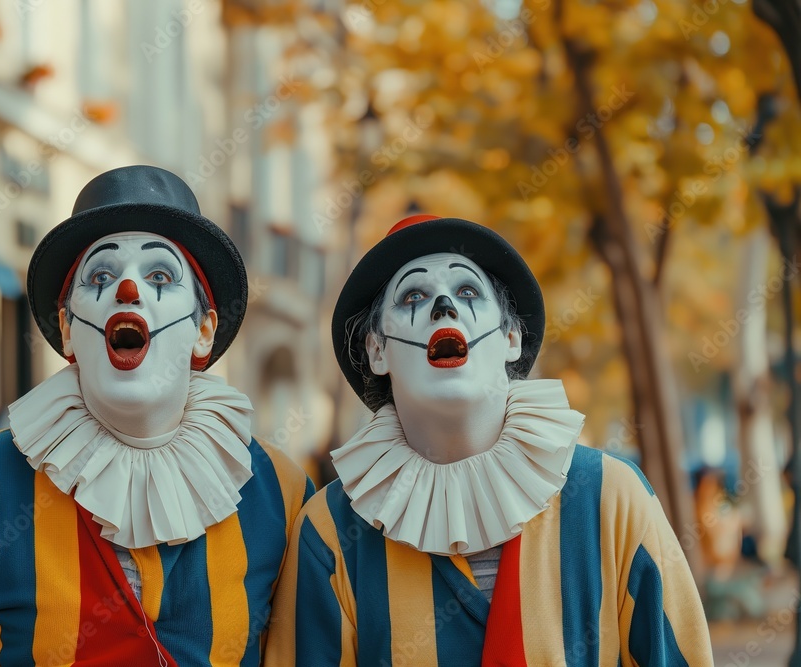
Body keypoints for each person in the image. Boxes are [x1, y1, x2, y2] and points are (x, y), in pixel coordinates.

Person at [0, 166, 313, 665]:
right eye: (101, 276)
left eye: (160, 276)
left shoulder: (281, 493)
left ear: (203, 331)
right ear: (66, 329)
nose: (127, 290)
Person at [267, 214, 712, 665]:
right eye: (413, 296)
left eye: (467, 291)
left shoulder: (612, 499)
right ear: (376, 350)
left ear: (510, 337)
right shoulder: (328, 533)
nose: (444, 306)